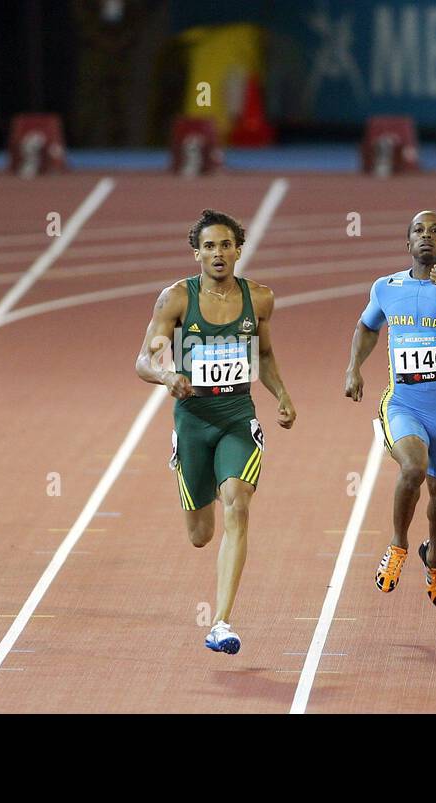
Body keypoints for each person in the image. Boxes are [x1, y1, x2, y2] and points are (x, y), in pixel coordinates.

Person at [134, 209, 296, 654]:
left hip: (237, 415)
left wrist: (281, 394)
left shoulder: (259, 299)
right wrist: (167, 377)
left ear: (239, 250)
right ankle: (181, 462)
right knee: (200, 535)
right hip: (192, 420)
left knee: (237, 504)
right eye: (209, 246)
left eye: (226, 244)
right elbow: (143, 360)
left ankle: (221, 622)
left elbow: (263, 354)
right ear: (196, 254)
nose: (218, 253)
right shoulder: (175, 300)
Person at [345, 210, 436, 609]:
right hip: (402, 403)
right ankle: (398, 546)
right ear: (407, 244)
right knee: (413, 467)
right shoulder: (385, 288)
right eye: (418, 231)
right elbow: (367, 327)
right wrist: (353, 368)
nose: (427, 236)